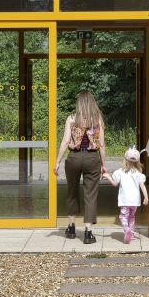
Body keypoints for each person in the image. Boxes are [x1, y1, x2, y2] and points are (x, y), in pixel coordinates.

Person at [53, 90, 107, 245]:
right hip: (91, 158)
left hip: (74, 158)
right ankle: (88, 233)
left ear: (78, 102)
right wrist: (103, 164)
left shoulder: (71, 118)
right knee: (90, 195)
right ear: (92, 102)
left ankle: (71, 228)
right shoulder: (98, 119)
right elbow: (101, 144)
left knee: (72, 191)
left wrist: (57, 162)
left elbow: (64, 141)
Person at [102, 146, 148, 243]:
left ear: (125, 160)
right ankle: (131, 234)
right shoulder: (138, 173)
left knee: (123, 216)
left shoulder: (120, 172)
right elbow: (142, 186)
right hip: (134, 201)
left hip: (125, 200)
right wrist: (146, 197)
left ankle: (127, 230)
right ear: (137, 162)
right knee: (131, 216)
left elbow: (115, 184)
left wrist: (107, 176)